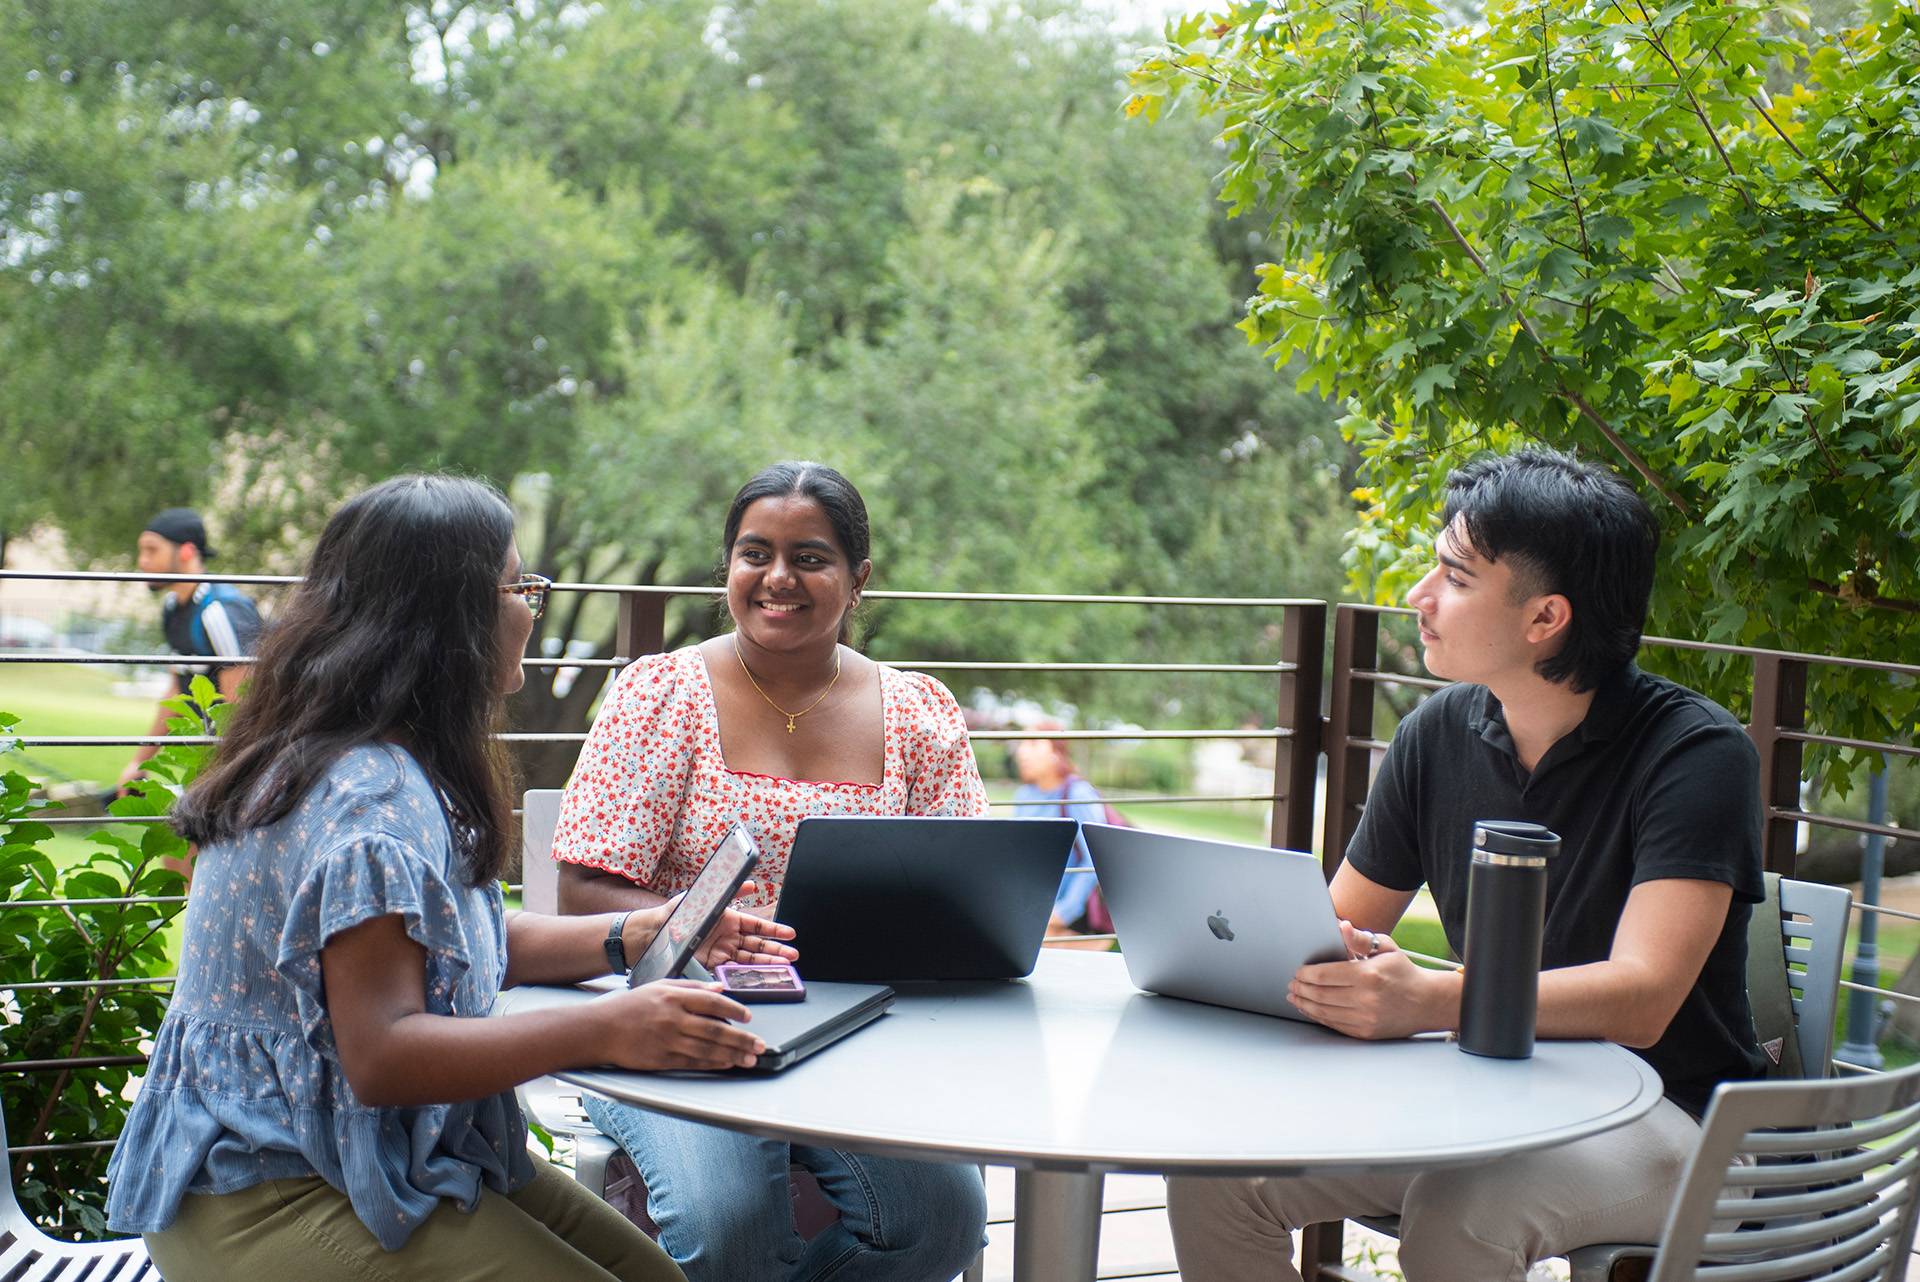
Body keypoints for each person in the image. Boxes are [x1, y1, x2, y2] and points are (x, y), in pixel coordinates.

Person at [105, 475, 800, 1281]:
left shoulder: (380, 755)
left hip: (375, 1153)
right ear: (449, 616)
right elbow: (386, 1055)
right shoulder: (368, 800)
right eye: (519, 587)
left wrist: (633, 934)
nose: (530, 608)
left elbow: (443, 940)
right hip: (267, 1190)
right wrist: (611, 1028)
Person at [1166, 449, 1766, 1282]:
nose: (1419, 596)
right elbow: (1336, 930)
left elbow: (1642, 1001)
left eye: (1454, 576)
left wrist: (1430, 998)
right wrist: (1320, 963)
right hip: (1483, 1096)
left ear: (1544, 618)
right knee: (1219, 1174)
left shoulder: (1697, 754)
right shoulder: (1437, 733)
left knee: (1460, 1220)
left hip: (1672, 1114)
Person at [553, 460, 991, 1282]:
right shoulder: (662, 696)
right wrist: (705, 931)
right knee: (731, 1230)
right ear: (727, 567)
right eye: (756, 553)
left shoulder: (919, 714)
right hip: (681, 1018)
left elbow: (960, 889)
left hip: (857, 1030)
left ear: (859, 580)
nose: (778, 578)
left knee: (940, 1222)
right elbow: (583, 893)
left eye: (811, 558)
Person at [119, 508, 265, 791]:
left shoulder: (219, 611)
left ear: (186, 551)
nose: (142, 561)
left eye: (152, 550)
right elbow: (177, 690)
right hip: (210, 759)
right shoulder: (173, 608)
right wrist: (139, 763)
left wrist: (213, 784)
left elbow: (241, 706)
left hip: (238, 763)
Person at [1011, 725, 1108, 939]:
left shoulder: (1078, 793)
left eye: (1033, 743)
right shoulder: (1023, 795)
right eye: (1021, 743)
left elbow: (1095, 859)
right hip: (1029, 909)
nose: (1022, 752)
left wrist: (1063, 913)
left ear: (1057, 753)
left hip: (1067, 918)